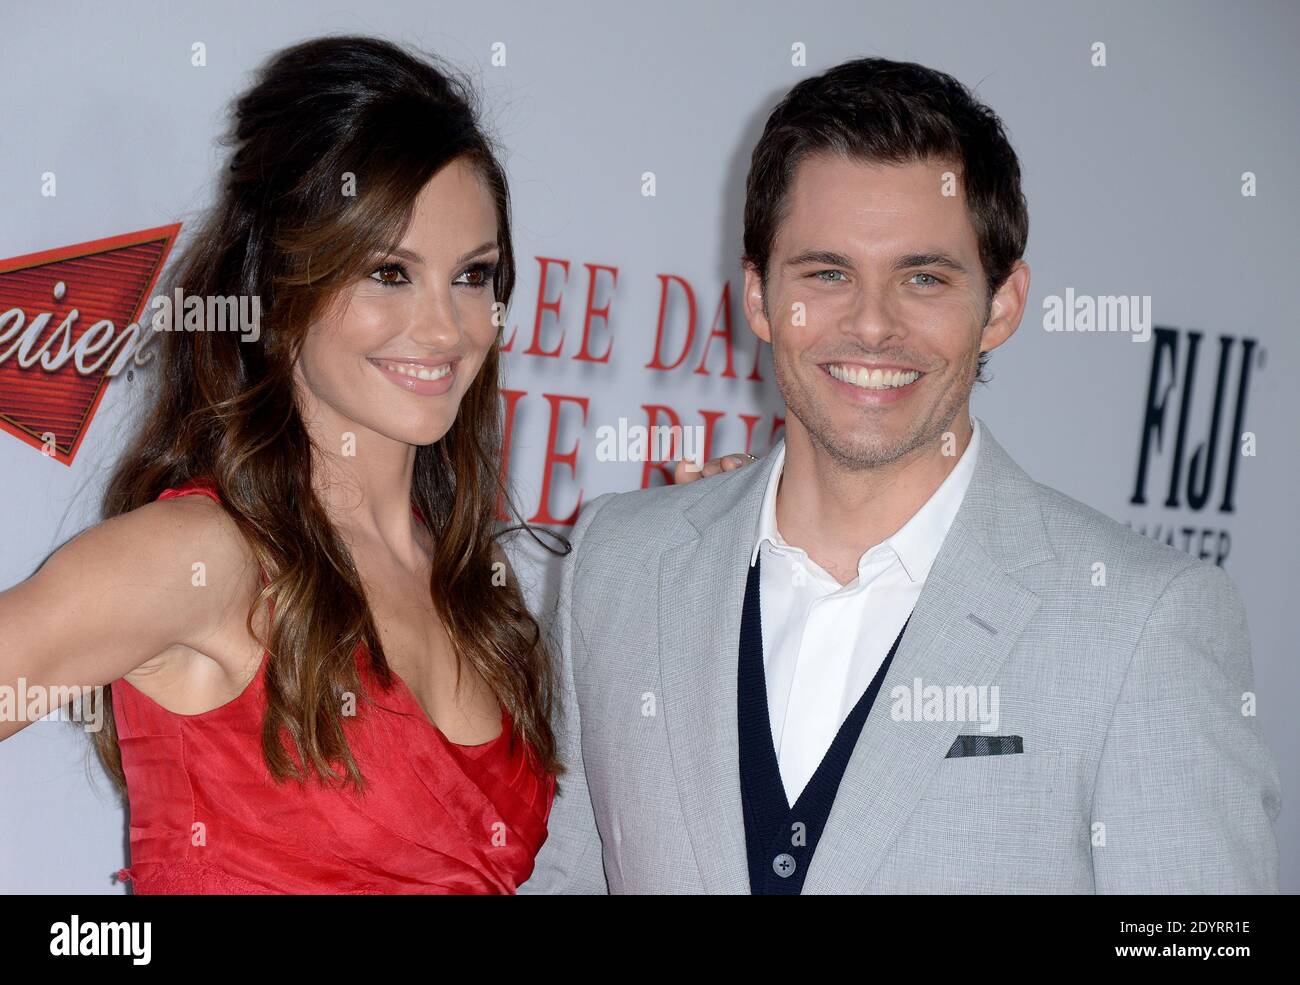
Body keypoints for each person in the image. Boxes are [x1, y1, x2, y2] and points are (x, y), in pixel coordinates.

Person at [521, 56, 1282, 894]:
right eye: (827, 273)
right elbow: (568, 875)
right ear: (760, 299)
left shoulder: (1141, 622)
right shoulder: (618, 562)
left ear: (1001, 305)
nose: (873, 324)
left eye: (924, 277)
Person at [0, 35, 733, 894]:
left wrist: (704, 562)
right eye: (390, 272)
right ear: (279, 292)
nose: (445, 328)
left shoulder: (475, 582)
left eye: (473, 276)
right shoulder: (198, 556)